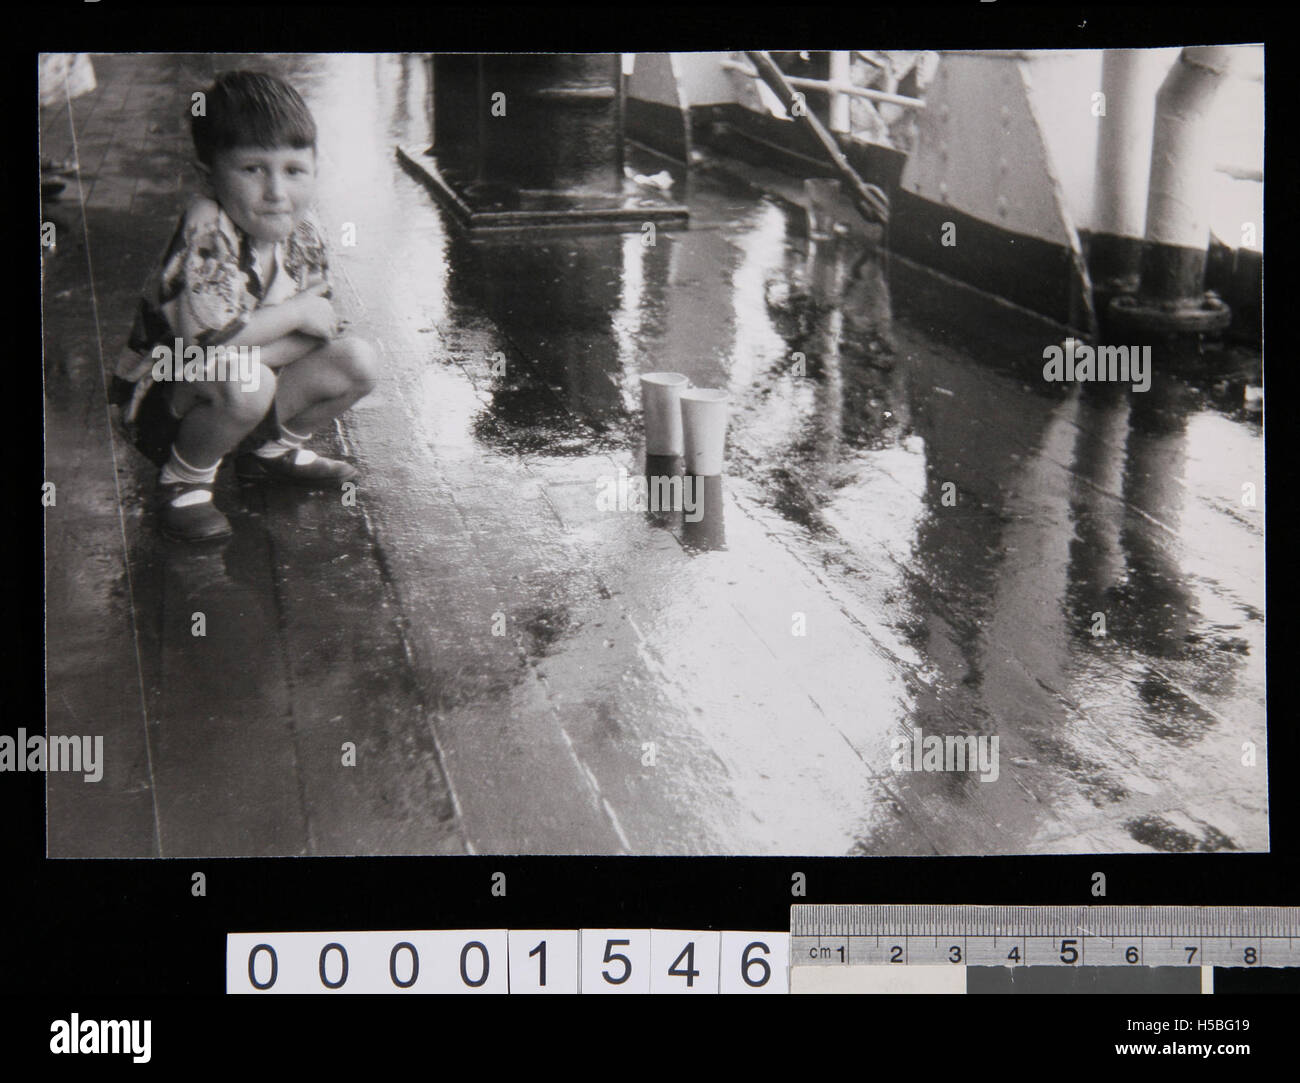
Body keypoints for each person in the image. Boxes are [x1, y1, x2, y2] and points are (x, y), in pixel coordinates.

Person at [111, 69, 378, 542]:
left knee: (358, 360)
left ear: (316, 167)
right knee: (245, 379)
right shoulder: (208, 225)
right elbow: (205, 337)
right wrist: (292, 317)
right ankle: (183, 481)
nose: (277, 192)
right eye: (253, 169)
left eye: (294, 170)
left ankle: (270, 453)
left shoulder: (303, 230)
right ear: (210, 175)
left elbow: (321, 330)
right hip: (166, 396)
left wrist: (271, 340)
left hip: (239, 377)